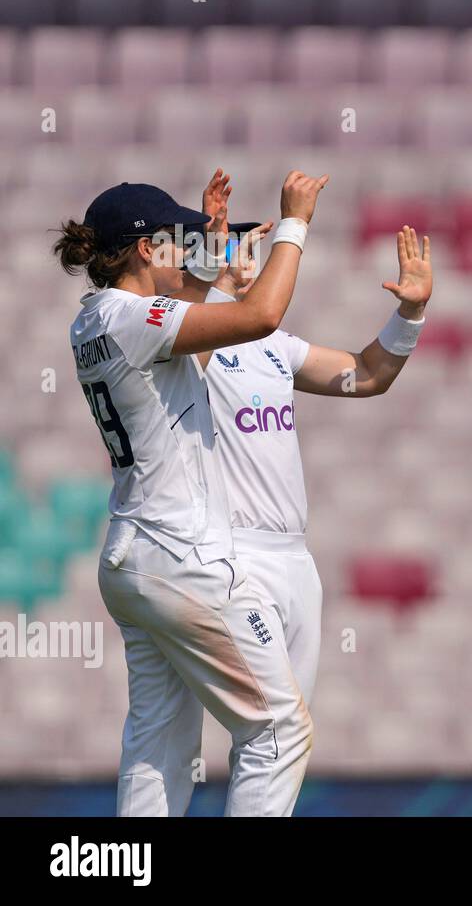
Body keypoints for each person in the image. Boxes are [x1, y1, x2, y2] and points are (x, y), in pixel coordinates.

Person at [126, 169, 432, 814]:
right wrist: (229, 254)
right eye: (230, 243)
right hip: (227, 557)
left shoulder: (273, 345)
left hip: (294, 559)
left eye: (248, 242)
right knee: (267, 735)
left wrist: (410, 312)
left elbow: (367, 375)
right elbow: (222, 314)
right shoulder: (188, 342)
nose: (243, 251)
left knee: (274, 742)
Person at [61, 171, 329, 816]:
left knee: (160, 745)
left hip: (131, 558)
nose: (186, 254)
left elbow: (189, 310)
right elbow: (259, 315)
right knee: (278, 731)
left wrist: (214, 243)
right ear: (146, 249)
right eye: (175, 242)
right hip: (179, 555)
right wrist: (294, 223)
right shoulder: (134, 318)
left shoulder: (96, 319)